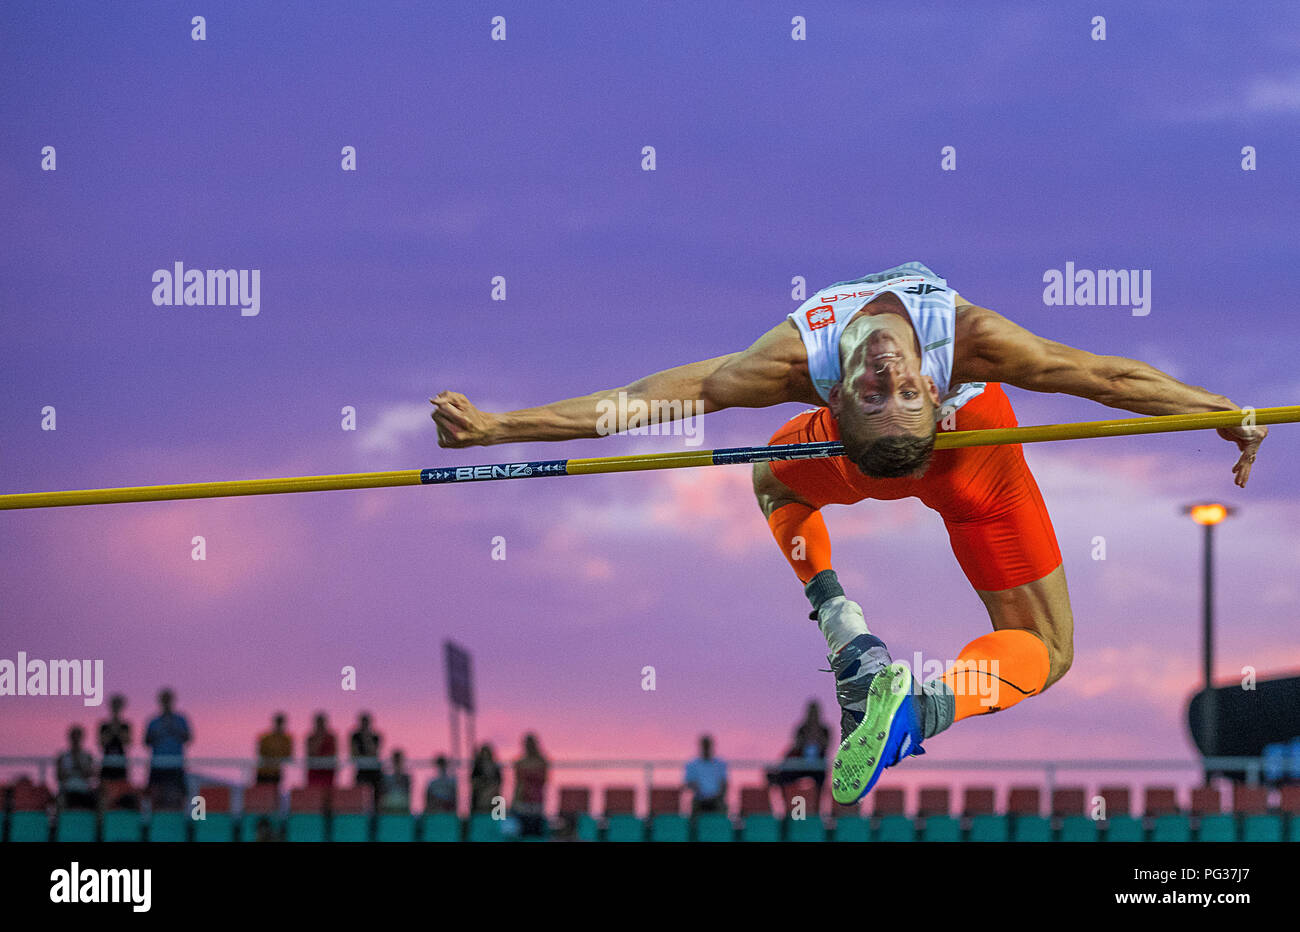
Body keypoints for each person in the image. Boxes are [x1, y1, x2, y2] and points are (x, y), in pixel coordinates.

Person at [431, 260, 1268, 804]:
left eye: (897, 392)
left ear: (933, 402)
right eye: (881, 394)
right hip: (948, 455)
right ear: (834, 409)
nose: (891, 377)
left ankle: (850, 643)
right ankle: (914, 703)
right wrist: (500, 428)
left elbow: (1103, 378)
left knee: (772, 476)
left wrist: (1216, 413)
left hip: (950, 451)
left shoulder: (803, 363)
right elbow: (640, 402)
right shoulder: (951, 347)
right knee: (1044, 649)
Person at [767, 700, 830, 811]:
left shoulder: (824, 730)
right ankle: (787, 807)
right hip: (801, 765)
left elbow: (827, 746)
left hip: (817, 767)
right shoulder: (801, 729)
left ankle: (816, 810)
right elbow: (796, 745)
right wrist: (807, 737)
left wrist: (817, 737)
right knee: (784, 778)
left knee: (820, 782)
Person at [144, 688, 192, 810]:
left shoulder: (181, 720)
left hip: (176, 765)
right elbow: (146, 741)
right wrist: (158, 733)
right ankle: (154, 823)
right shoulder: (153, 721)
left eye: (168, 700)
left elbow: (188, 738)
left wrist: (174, 729)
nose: (166, 702)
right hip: (157, 765)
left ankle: (179, 823)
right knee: (155, 796)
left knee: (178, 796)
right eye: (164, 700)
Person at [512, 733, 549, 837]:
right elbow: (517, 784)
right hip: (522, 800)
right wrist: (514, 801)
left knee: (535, 830)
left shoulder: (543, 762)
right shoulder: (519, 763)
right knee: (522, 830)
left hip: (536, 800)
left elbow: (544, 781)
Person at [56, 725, 97, 810]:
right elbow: (59, 776)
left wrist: (78, 763)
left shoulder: (87, 756)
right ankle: (57, 823)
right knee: (59, 801)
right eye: (74, 737)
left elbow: (90, 775)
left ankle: (99, 823)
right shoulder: (62, 756)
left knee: (98, 801)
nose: (76, 740)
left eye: (78, 737)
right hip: (68, 790)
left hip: (84, 790)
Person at [684, 735, 728, 814]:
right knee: (694, 808)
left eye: (708, 745)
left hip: (716, 799)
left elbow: (724, 784)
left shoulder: (721, 764)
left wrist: (718, 796)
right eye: (704, 746)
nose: (706, 748)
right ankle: (693, 826)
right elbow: (689, 783)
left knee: (722, 807)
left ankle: (721, 825)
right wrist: (702, 795)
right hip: (699, 799)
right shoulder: (692, 764)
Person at [97, 694, 131, 782]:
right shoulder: (104, 726)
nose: (116, 708)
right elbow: (102, 742)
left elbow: (127, 742)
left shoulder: (125, 726)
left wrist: (117, 727)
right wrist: (112, 728)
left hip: (120, 762)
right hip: (107, 762)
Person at [349, 713, 382, 800]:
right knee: (359, 790)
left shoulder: (375, 737)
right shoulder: (355, 736)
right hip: (361, 769)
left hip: (373, 769)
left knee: (377, 789)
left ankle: (376, 810)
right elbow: (354, 753)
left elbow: (373, 753)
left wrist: (367, 737)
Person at [255, 713, 293, 788]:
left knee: (274, 793)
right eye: (278, 722)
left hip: (276, 773)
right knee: (261, 791)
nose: (279, 725)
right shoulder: (266, 738)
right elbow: (261, 752)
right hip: (263, 772)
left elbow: (288, 755)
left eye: (281, 723)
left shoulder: (286, 739)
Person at [304, 712, 338, 789]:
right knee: (314, 791)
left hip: (328, 770)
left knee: (328, 792)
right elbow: (311, 752)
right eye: (319, 723)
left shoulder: (331, 738)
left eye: (322, 723)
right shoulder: (311, 738)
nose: (320, 725)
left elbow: (333, 753)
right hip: (314, 770)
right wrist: (319, 738)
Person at [469, 744, 502, 814]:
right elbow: (473, 782)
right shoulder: (477, 768)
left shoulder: (495, 767)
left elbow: (499, 783)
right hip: (479, 802)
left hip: (493, 802)